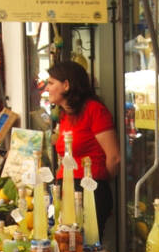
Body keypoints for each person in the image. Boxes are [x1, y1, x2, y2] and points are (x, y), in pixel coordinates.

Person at [47, 61, 120, 240]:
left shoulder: (94, 111)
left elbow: (114, 157)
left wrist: (99, 181)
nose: (47, 88)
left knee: (87, 251)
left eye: (50, 83)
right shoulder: (65, 115)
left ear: (66, 85)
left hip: (89, 190)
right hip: (65, 189)